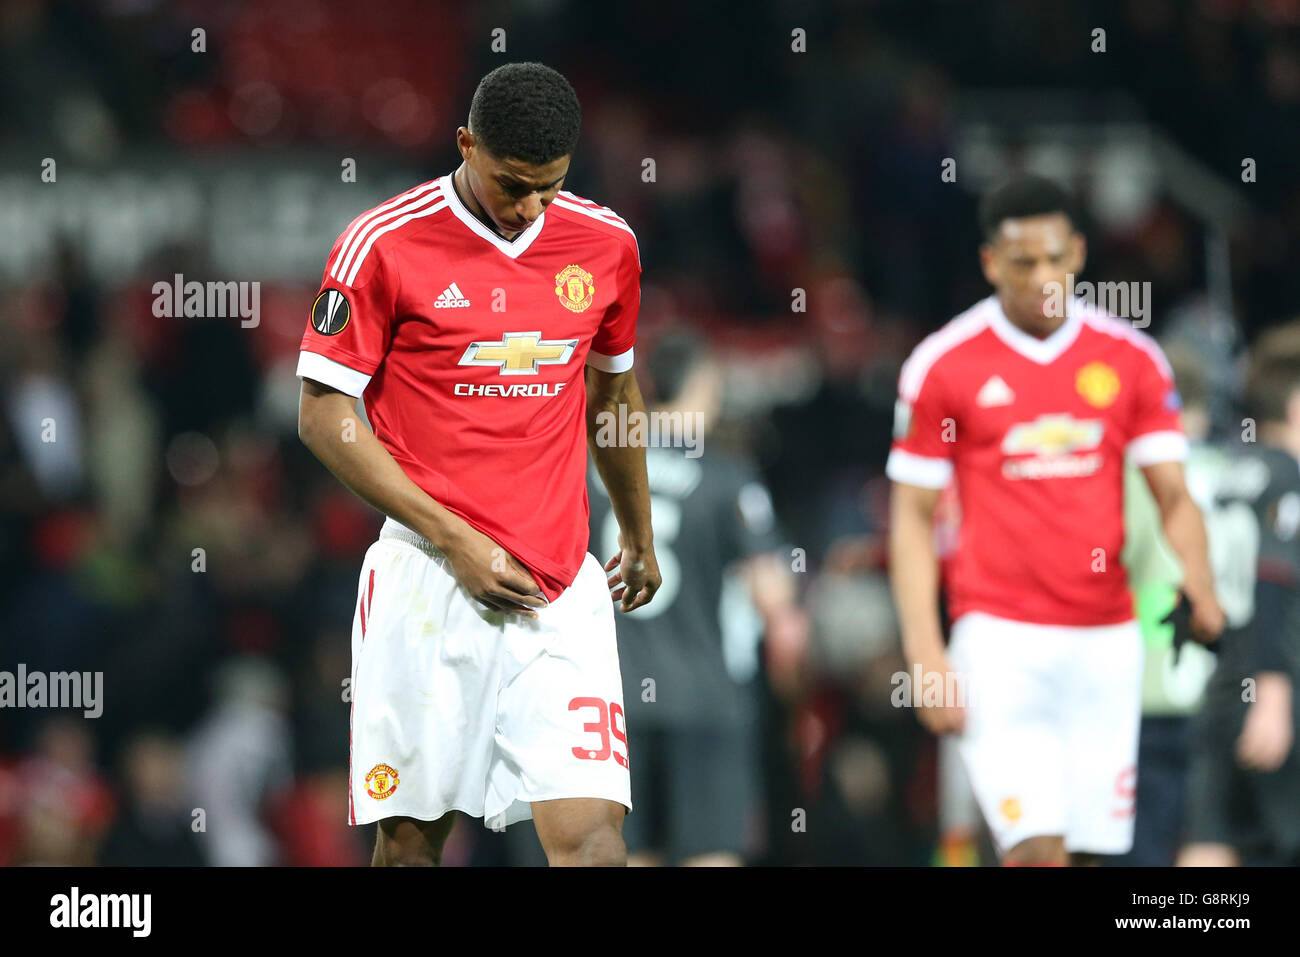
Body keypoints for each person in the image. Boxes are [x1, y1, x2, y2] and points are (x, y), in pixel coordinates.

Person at [296, 62, 660, 867]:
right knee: (412, 845)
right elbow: (323, 415)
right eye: (513, 183)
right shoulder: (382, 242)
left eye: (550, 187)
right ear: (466, 143)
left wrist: (639, 531)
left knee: (596, 839)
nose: (530, 205)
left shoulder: (605, 244)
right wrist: (454, 537)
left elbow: (615, 396)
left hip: (562, 585)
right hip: (428, 579)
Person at [887, 174, 1224, 866]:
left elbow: (1175, 495)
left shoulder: (1132, 359)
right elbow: (912, 517)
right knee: (1036, 851)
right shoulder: (942, 365)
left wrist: (1202, 581)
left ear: (1077, 252)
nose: (1043, 277)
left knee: (1092, 855)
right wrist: (926, 653)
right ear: (990, 263)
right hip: (999, 638)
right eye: (1022, 263)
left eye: (1054, 259)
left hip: (1107, 641)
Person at [1179, 341, 1300, 866]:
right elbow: (1272, 580)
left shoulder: (1231, 473)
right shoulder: (1287, 479)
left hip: (1225, 687)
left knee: (1209, 840)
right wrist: (1273, 695)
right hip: (1277, 694)